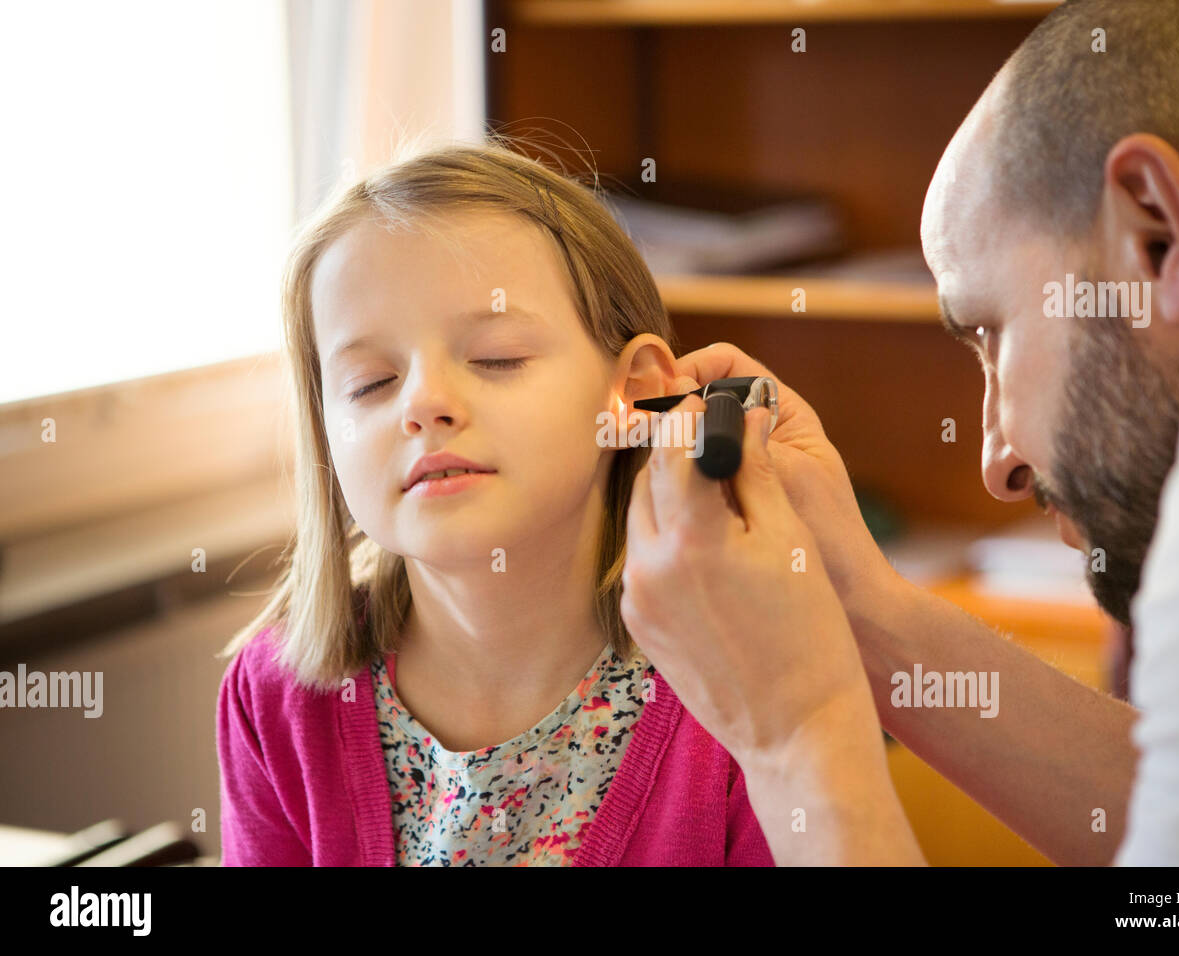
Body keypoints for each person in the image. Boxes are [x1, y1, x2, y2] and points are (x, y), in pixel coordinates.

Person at [619, 0, 1179, 865]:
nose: (998, 462)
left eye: (990, 332)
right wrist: (858, 605)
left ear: (1156, 234)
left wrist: (794, 731)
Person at [215, 139, 773, 865]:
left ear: (635, 393)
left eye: (496, 358)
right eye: (371, 383)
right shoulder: (276, 697)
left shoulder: (743, 688)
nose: (423, 405)